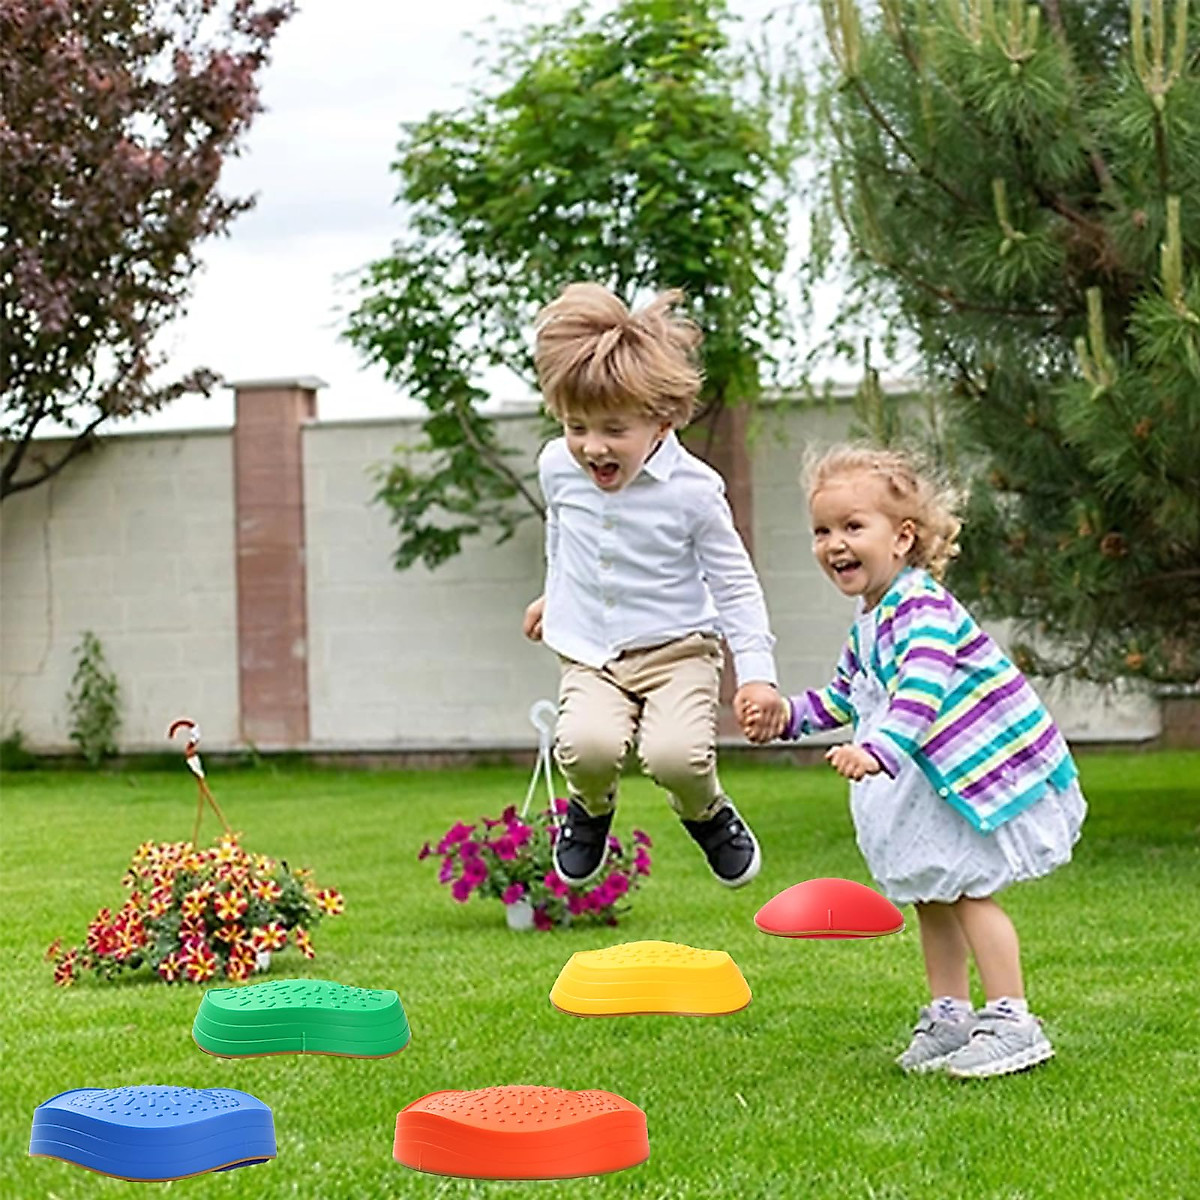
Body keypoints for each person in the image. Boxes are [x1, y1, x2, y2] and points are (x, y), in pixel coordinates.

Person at [739, 444, 1086, 1078]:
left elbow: (923, 685)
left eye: (852, 527)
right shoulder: (870, 618)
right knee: (935, 892)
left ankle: (1013, 1018)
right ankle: (950, 1014)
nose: (834, 544)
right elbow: (846, 694)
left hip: (966, 773)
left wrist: (880, 748)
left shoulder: (921, 604)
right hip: (929, 780)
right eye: (822, 531)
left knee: (972, 889)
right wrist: (786, 715)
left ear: (902, 538)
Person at [522, 282, 779, 890]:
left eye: (613, 429)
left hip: (677, 649)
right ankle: (589, 809)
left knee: (674, 758)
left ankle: (707, 812)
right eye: (575, 426)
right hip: (591, 651)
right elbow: (565, 536)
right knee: (585, 746)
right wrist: (552, 595)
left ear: (661, 420)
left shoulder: (693, 490)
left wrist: (758, 673)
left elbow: (736, 585)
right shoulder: (557, 465)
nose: (591, 446)